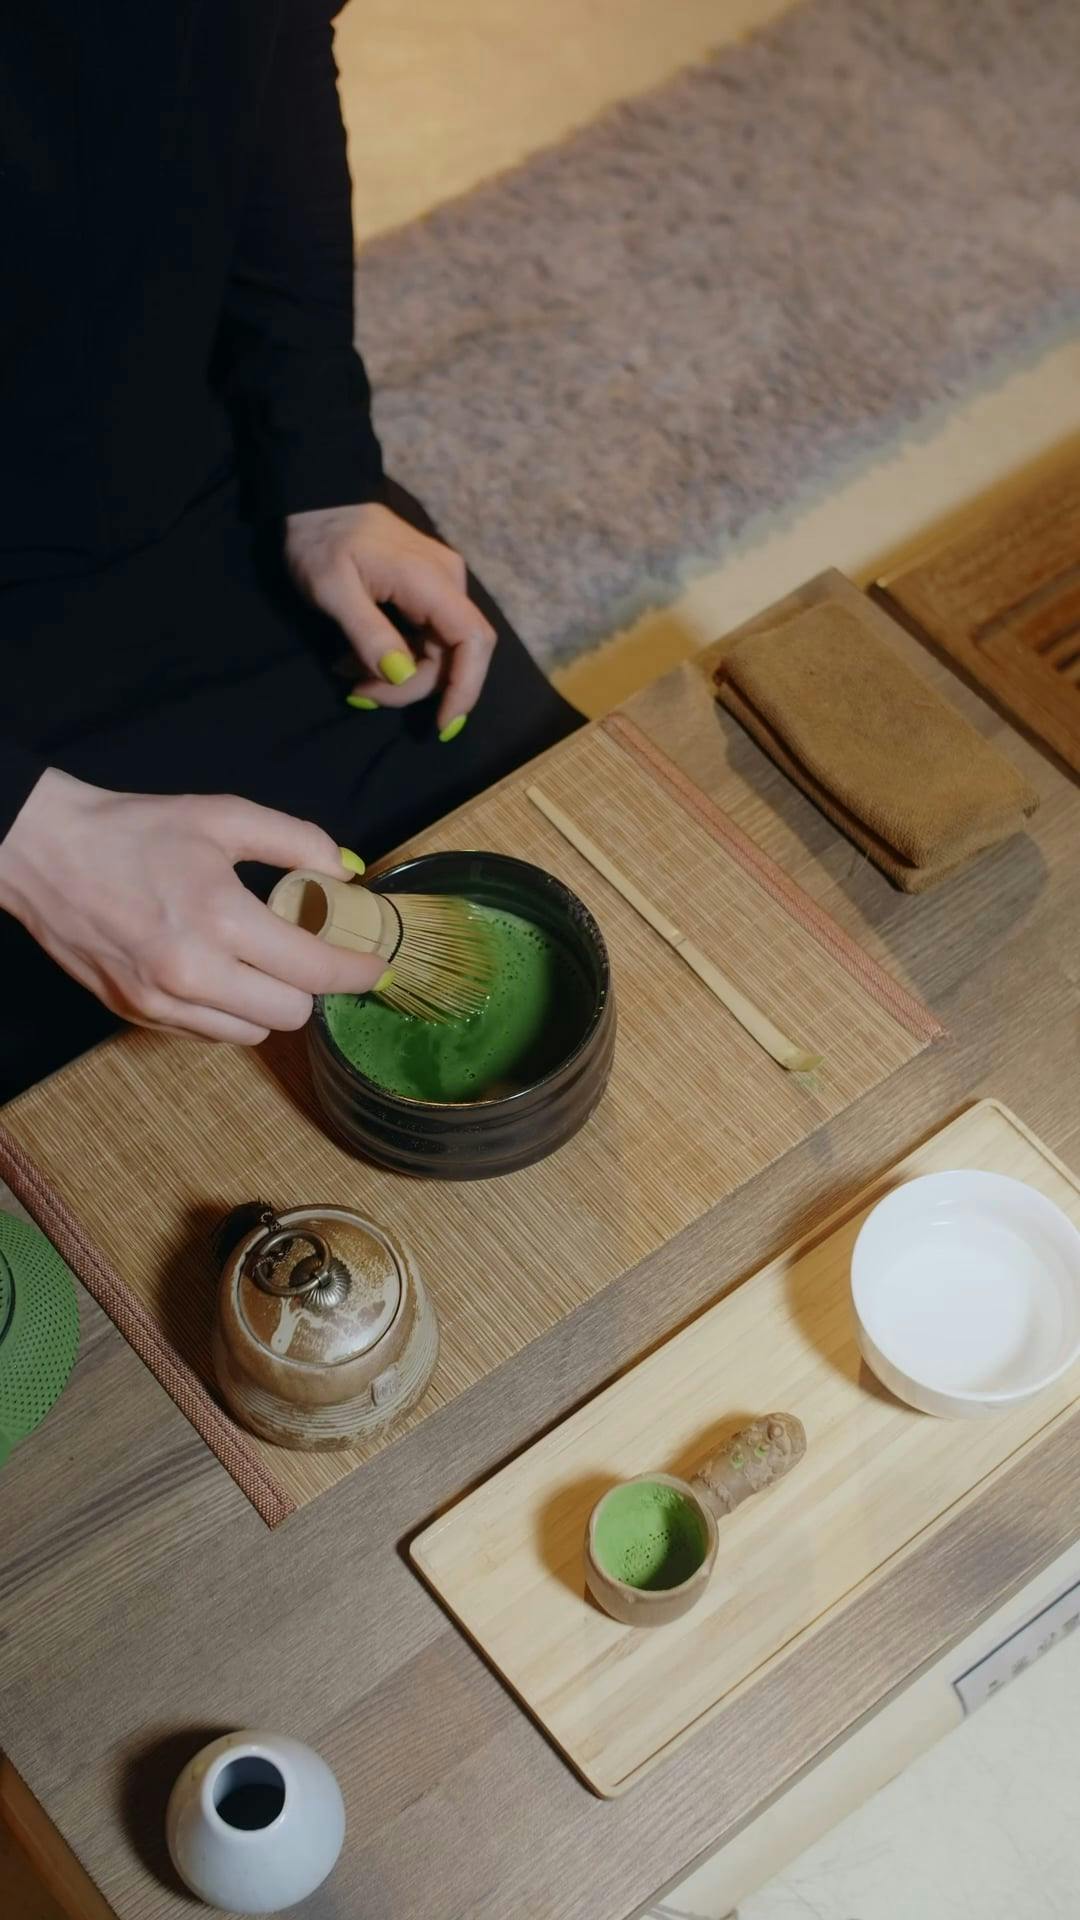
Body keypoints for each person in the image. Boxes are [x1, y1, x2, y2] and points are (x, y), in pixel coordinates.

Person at [0, 3, 581, 1102]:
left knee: (541, 828)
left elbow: (261, 64)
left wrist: (321, 474)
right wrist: (25, 835)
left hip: (192, 483)